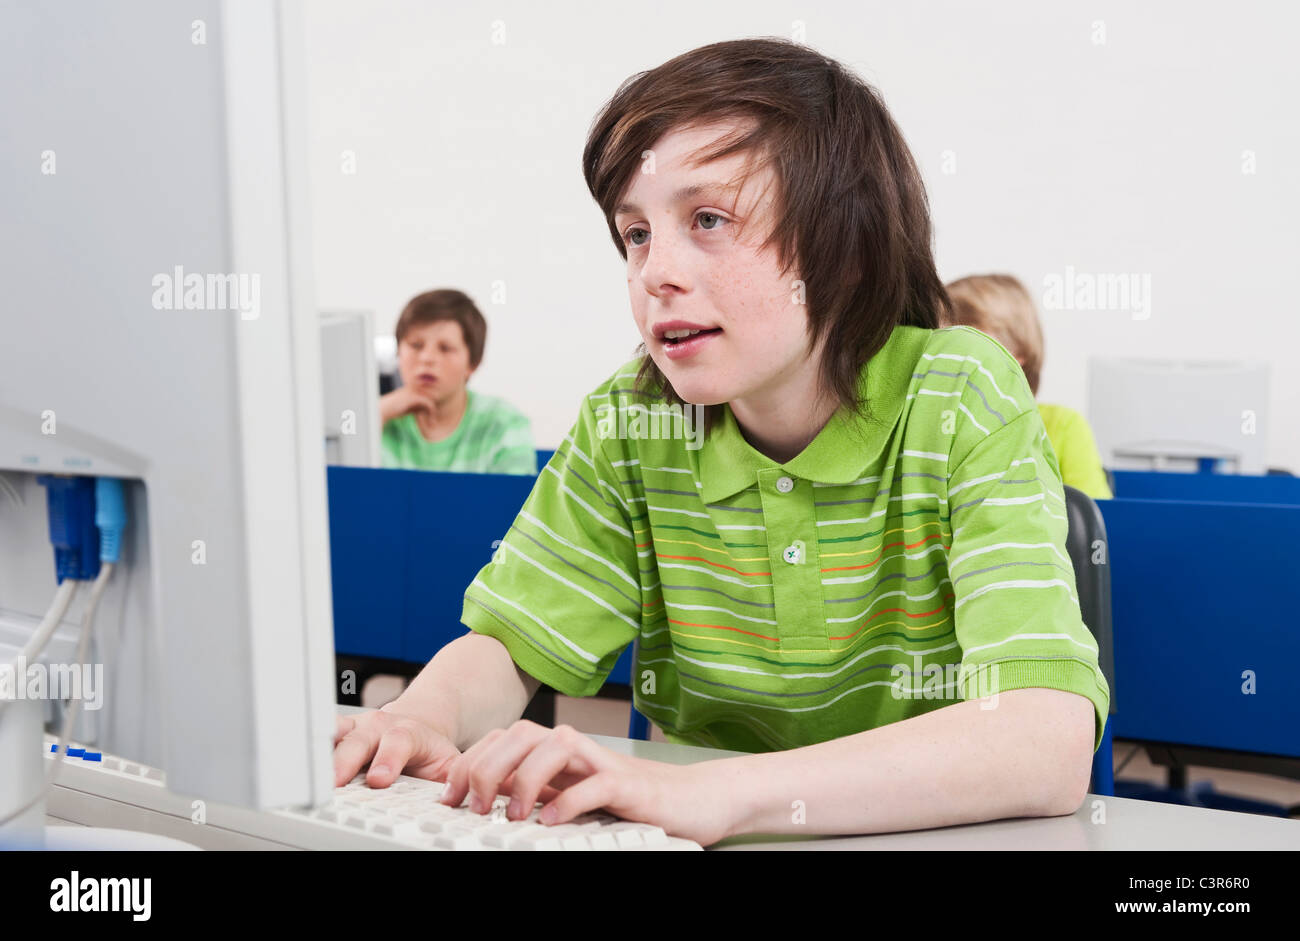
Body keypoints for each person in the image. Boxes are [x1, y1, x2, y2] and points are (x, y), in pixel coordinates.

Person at [335, 38, 1110, 846]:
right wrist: (420, 716)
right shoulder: (632, 419)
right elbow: (511, 644)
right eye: (635, 233)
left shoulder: (960, 392)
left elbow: (1043, 740)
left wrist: (715, 791)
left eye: (708, 219)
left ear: (843, 252)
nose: (653, 271)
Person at [944, 274, 1112, 499]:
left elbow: (1093, 519)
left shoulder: (1062, 425)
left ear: (1017, 355)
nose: (949, 359)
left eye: (970, 347)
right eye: (943, 344)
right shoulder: (939, 428)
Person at [379, 289, 537, 475]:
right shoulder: (382, 419)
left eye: (445, 348)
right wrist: (379, 412)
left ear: (472, 363)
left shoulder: (503, 423)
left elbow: (517, 501)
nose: (427, 358)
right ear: (398, 352)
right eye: (415, 345)